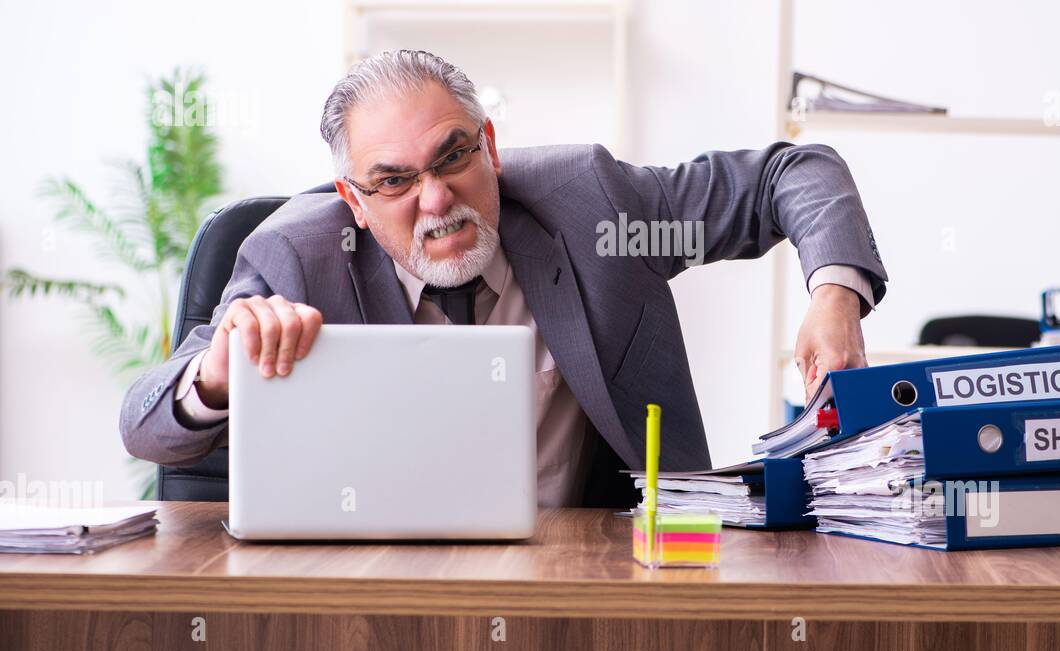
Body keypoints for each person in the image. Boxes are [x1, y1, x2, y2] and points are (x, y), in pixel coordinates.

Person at [120, 49, 888, 507]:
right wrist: (215, 377)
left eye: (453, 155)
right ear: (352, 198)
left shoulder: (595, 209)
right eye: (392, 180)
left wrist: (833, 294)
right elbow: (143, 424)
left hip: (589, 585)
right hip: (376, 592)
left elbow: (794, 173)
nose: (435, 197)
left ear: (488, 142)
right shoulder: (294, 254)